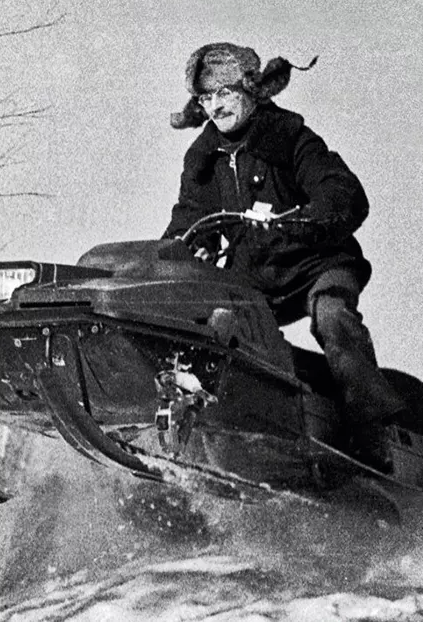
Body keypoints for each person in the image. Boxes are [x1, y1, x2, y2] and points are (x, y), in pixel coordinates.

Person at [162, 42, 407, 472]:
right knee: (208, 326)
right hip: (254, 275)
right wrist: (181, 250)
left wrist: (302, 220)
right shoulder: (203, 158)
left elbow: (342, 193)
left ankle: (372, 435)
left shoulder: (290, 137)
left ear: (249, 91)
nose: (215, 107)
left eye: (223, 94)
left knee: (332, 316)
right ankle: (216, 432)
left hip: (316, 263)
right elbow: (188, 217)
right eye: (205, 98)